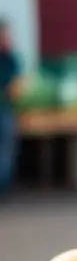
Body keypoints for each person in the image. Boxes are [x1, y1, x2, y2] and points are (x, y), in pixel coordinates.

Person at [0, 19, 22, 198]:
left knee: (6, 149)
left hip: (5, 109)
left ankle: (3, 187)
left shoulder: (9, 58)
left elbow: (15, 87)